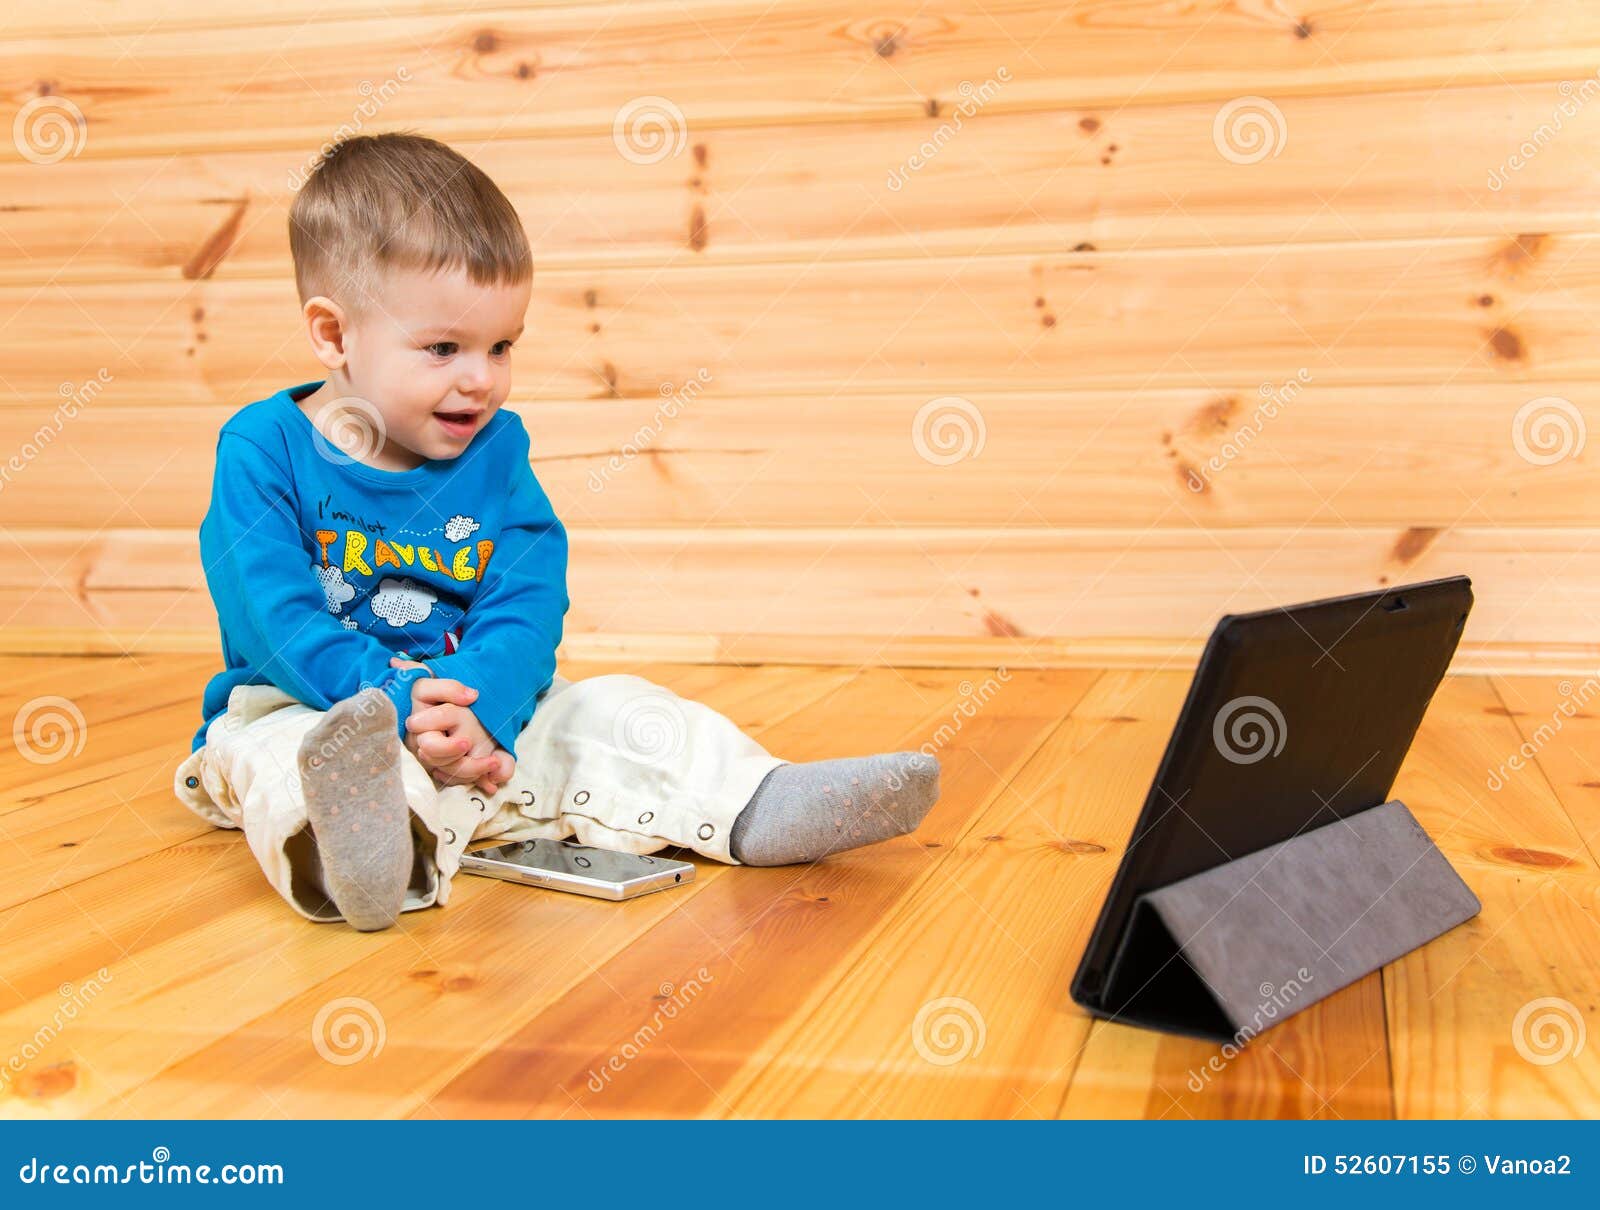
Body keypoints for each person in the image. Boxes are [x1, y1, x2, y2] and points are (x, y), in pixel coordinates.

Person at [173, 132, 939, 931]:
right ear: (335, 336)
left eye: (501, 346)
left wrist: (487, 705)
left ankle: (754, 799)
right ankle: (367, 855)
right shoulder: (264, 449)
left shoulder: (496, 450)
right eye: (443, 348)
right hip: (304, 701)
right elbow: (273, 620)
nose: (483, 379)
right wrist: (392, 699)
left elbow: (528, 596)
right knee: (292, 760)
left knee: (613, 712)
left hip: (474, 711)